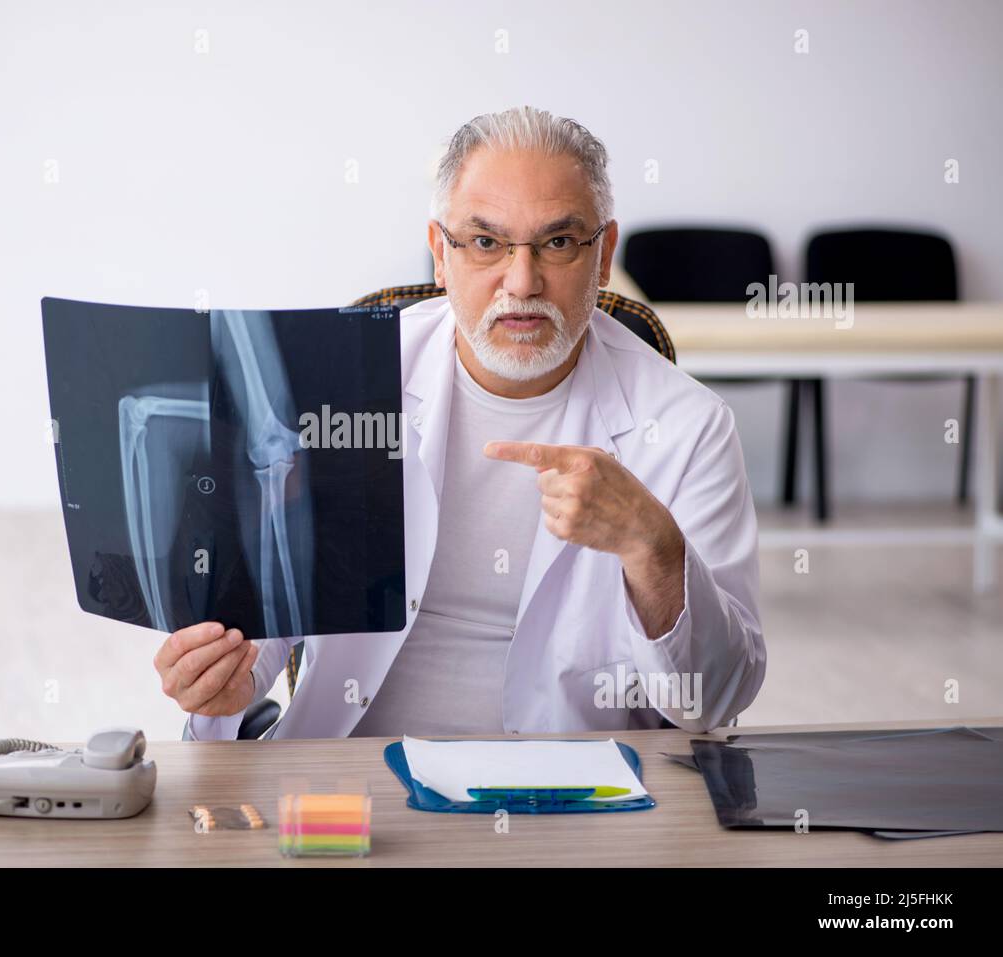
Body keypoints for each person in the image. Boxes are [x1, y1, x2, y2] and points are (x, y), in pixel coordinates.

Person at [155, 106, 765, 739]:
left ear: (604, 253)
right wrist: (230, 673)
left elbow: (714, 702)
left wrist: (652, 545)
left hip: (576, 794)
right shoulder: (338, 384)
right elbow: (267, 610)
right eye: (485, 243)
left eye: (557, 242)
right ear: (439, 256)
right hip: (349, 782)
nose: (521, 282)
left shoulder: (689, 426)